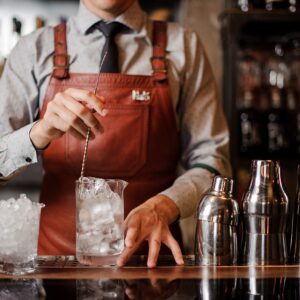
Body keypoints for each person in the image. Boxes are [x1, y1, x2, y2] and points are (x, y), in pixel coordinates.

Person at [0, 0, 231, 268]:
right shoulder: (33, 49)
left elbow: (214, 162)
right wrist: (37, 133)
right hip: (55, 266)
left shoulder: (184, 45)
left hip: (153, 264)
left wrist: (165, 206)